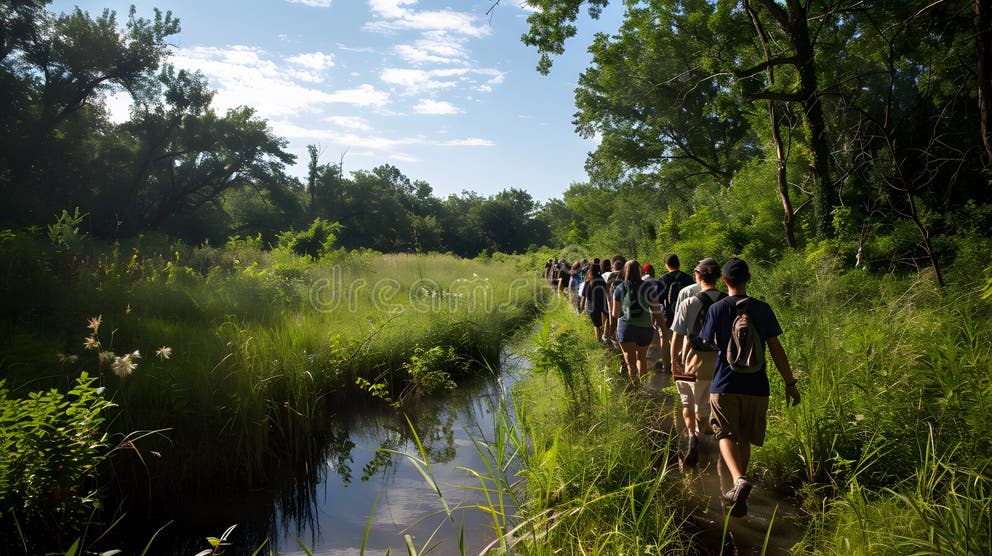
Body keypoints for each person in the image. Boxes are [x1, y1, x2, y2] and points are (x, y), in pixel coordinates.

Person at [699, 258, 801, 517]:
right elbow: (777, 349)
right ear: (748, 279)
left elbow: (708, 344)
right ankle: (738, 494)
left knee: (724, 434)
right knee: (743, 439)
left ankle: (737, 481)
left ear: (724, 280)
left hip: (724, 383)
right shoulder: (762, 309)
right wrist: (790, 384)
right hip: (757, 386)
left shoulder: (718, 309)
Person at [669, 258, 725, 468]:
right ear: (719, 278)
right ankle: (715, 447)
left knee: (687, 403)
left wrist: (674, 361)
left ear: (698, 276)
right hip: (720, 364)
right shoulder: (727, 300)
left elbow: (676, 336)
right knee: (713, 405)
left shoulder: (687, 303)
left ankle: (692, 435)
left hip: (690, 362)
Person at [611, 260, 661, 385]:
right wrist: (664, 330)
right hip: (646, 328)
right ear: (640, 271)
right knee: (642, 359)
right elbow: (656, 310)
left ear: (625, 271)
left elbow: (615, 314)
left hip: (626, 328)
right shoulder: (648, 287)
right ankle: (644, 387)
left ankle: (635, 388)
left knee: (630, 363)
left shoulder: (620, 288)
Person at [655, 254, 694, 373]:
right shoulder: (687, 278)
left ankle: (667, 366)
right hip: (685, 313)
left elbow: (658, 299)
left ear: (667, 265)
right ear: (678, 263)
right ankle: (681, 364)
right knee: (683, 339)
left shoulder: (663, 279)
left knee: (666, 338)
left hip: (668, 314)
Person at [582, 264, 609, 344]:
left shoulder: (588, 283)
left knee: (596, 325)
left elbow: (584, 296)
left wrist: (582, 306)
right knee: (607, 319)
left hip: (592, 307)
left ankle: (599, 342)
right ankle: (605, 334)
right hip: (603, 304)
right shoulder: (602, 282)